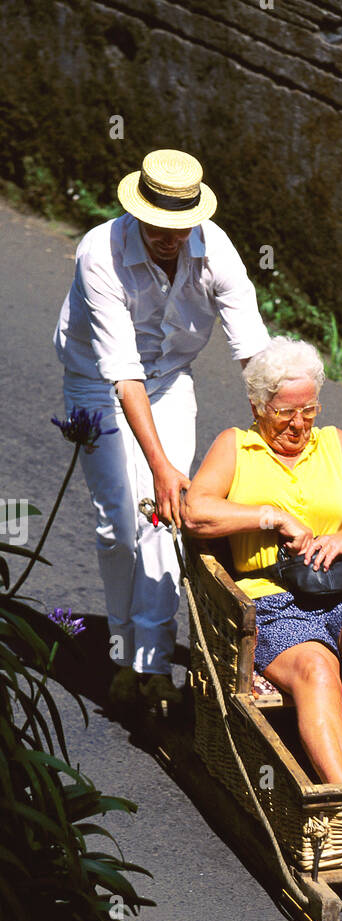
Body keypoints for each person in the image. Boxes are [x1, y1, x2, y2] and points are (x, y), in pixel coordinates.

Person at [54, 148, 270, 708]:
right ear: (137, 209)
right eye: (158, 224)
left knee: (163, 517)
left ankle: (148, 666)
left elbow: (254, 351)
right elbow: (121, 372)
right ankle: (122, 650)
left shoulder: (215, 248)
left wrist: (283, 424)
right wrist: (161, 465)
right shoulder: (99, 251)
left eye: (181, 226)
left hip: (170, 381)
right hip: (97, 383)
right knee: (118, 524)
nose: (169, 236)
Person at [182, 336, 342, 784]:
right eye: (285, 412)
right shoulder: (236, 446)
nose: (298, 424)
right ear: (258, 406)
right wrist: (271, 517)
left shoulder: (333, 444)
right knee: (316, 667)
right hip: (271, 600)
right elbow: (195, 512)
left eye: (308, 410)